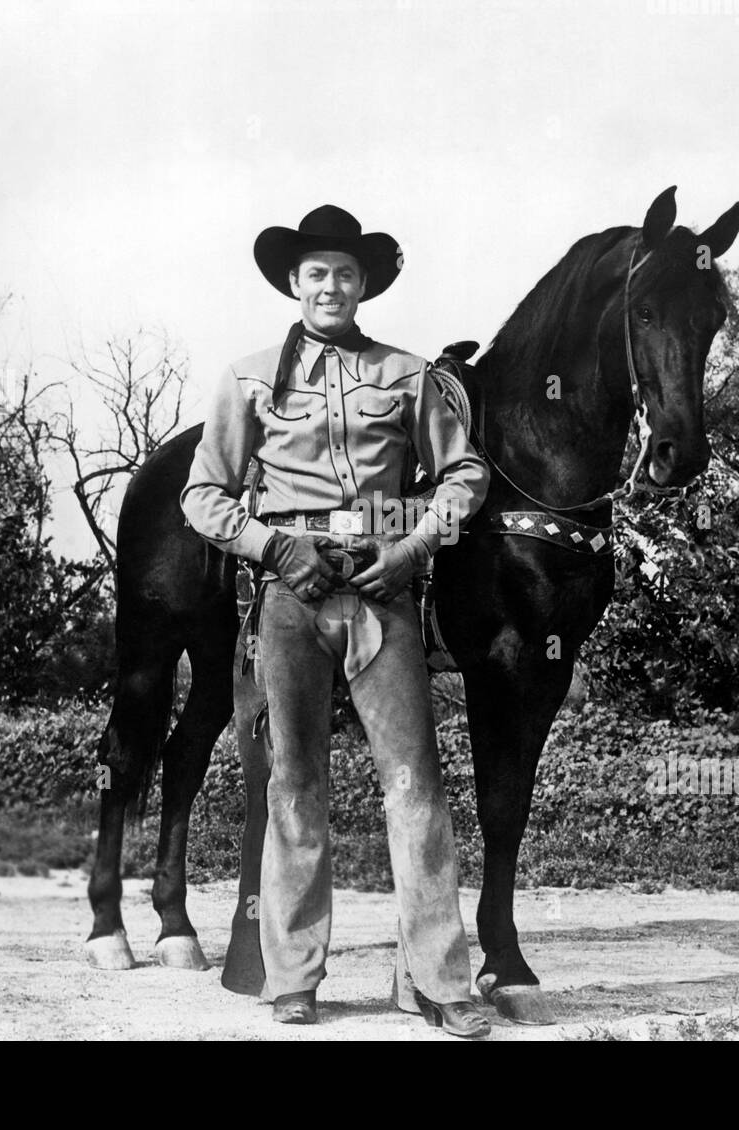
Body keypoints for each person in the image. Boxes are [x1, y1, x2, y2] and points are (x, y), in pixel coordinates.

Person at [181, 204, 491, 1037]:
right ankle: (294, 976)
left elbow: (464, 476)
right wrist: (274, 551)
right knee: (296, 782)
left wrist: (417, 545)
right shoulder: (248, 378)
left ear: (365, 286)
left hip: (384, 586)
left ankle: (438, 981)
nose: (331, 287)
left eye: (346, 275)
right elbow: (204, 494)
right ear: (294, 282)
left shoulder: (408, 373)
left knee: (414, 782)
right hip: (293, 592)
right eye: (316, 273)